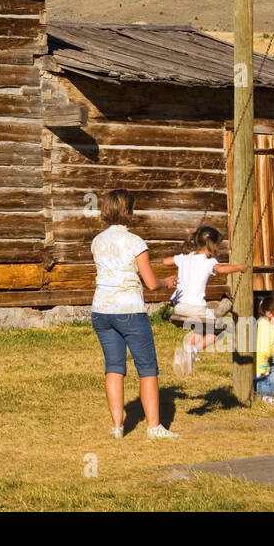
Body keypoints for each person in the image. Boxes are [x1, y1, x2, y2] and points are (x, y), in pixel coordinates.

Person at [89, 188, 178, 439]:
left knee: (114, 366)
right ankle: (154, 427)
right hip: (129, 310)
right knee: (147, 367)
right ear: (128, 211)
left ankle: (117, 426)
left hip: (101, 310)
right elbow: (150, 283)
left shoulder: (97, 241)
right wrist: (167, 282)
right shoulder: (135, 242)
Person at [165, 225, 248, 376]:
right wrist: (240, 267)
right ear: (212, 245)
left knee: (202, 325)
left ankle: (188, 351)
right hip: (195, 307)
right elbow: (222, 269)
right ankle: (193, 350)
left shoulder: (185, 257)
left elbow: (166, 261)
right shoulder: (208, 261)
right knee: (221, 329)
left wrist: (183, 257)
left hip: (179, 307)